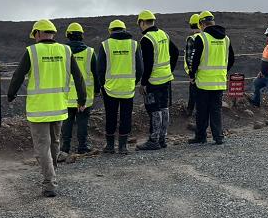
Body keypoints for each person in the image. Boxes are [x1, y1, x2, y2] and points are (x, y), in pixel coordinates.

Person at [7, 19, 86, 197]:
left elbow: (18, 75)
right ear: (52, 33)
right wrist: (82, 99)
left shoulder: (32, 51)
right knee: (54, 143)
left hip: (39, 110)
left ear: (38, 33)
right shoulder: (65, 50)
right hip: (59, 106)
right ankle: (52, 174)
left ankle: (49, 182)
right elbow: (78, 76)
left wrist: (11, 94)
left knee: (43, 146)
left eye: (34, 35)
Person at [97, 19, 142, 155]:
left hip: (110, 89)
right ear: (124, 29)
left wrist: (102, 85)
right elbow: (140, 68)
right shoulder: (134, 45)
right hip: (128, 88)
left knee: (110, 116)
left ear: (110, 31)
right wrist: (134, 82)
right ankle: (123, 147)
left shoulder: (105, 45)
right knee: (126, 116)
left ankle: (110, 146)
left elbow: (100, 68)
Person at [189, 11, 235, 145]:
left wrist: (192, 75)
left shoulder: (201, 38)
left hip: (203, 82)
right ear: (213, 21)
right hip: (219, 82)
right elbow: (231, 59)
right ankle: (218, 137)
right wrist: (223, 71)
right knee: (216, 109)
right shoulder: (226, 39)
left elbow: (195, 60)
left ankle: (201, 137)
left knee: (202, 111)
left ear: (202, 24)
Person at [136, 10, 179, 150]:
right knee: (164, 107)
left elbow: (147, 64)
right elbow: (176, 51)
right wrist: (169, 69)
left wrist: (143, 83)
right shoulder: (163, 34)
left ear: (142, 22)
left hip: (153, 81)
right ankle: (162, 139)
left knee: (153, 109)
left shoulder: (147, 39)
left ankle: (153, 140)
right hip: (166, 78)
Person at [59, 22, 99, 158]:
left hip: (66, 95)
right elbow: (96, 73)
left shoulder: (63, 52)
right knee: (83, 121)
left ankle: (65, 148)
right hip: (84, 95)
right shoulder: (90, 52)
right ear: (81, 36)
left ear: (68, 36)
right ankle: (82, 146)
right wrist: (97, 89)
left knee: (67, 122)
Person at [183, 13, 201, 120]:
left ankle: (190, 111)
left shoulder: (192, 39)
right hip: (205, 73)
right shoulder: (206, 37)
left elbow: (190, 58)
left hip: (195, 72)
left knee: (193, 91)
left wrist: (191, 73)